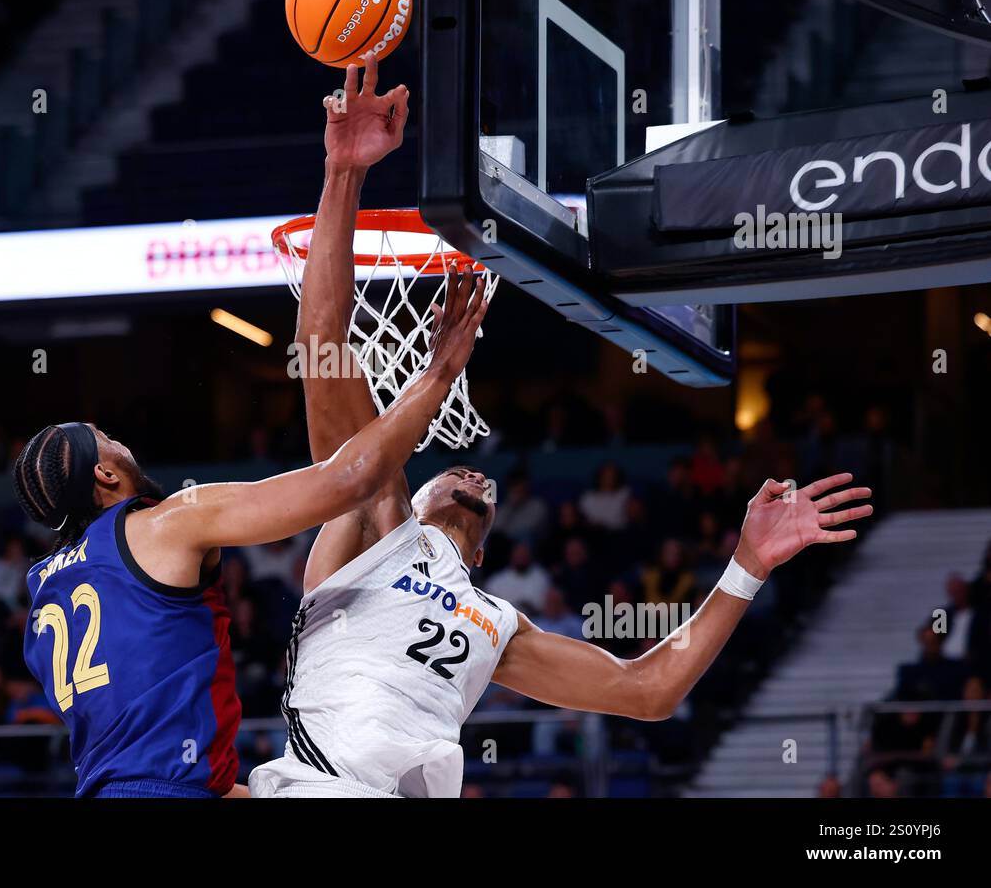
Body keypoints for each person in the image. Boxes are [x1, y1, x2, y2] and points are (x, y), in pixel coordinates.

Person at [249, 52, 876, 798]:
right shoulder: (378, 520)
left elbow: (650, 690)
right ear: (412, 499)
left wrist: (747, 562)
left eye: (478, 477)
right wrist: (344, 173)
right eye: (450, 470)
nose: (473, 471)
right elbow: (323, 338)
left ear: (483, 558)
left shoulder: (497, 623)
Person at [12, 268, 487, 798]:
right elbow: (351, 479)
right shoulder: (166, 523)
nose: (121, 443)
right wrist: (439, 373)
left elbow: (147, 763)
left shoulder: (42, 595)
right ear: (104, 474)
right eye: (106, 439)